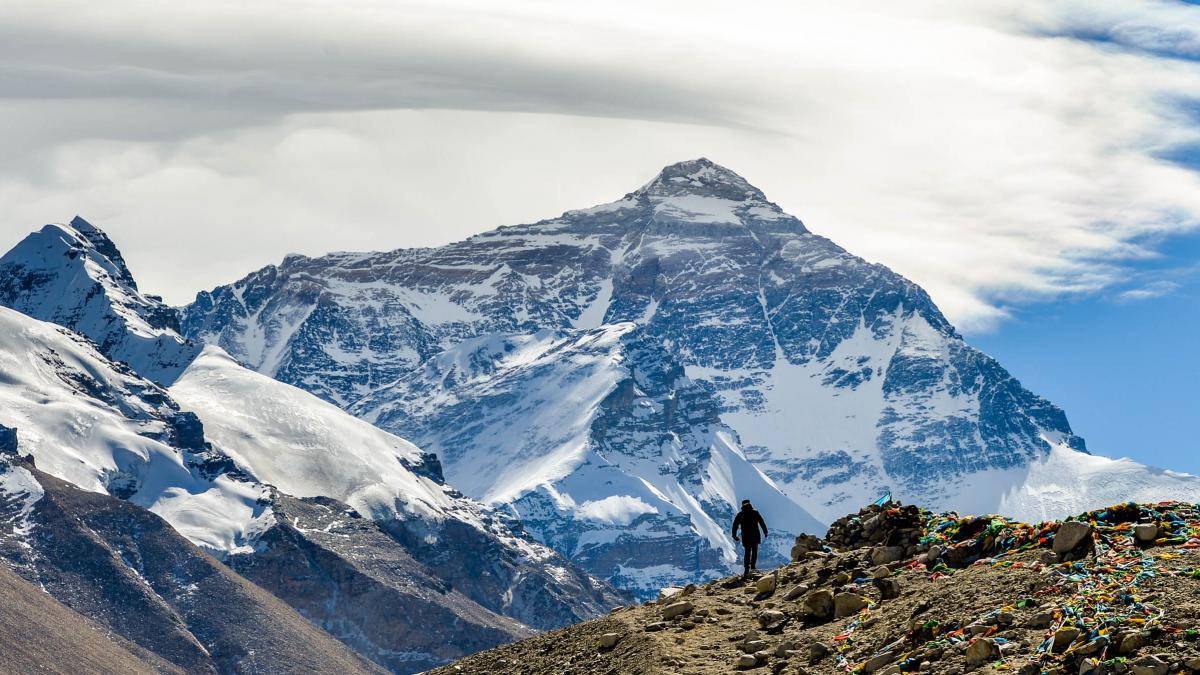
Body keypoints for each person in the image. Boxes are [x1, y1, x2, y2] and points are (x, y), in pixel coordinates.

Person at [731, 499, 768, 579]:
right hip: (755, 536)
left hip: (746, 537)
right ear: (750, 504)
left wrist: (734, 535)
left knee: (747, 553)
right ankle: (753, 567)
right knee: (754, 551)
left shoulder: (740, 514)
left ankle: (746, 570)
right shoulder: (755, 512)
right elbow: (762, 522)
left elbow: (735, 525)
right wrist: (765, 531)